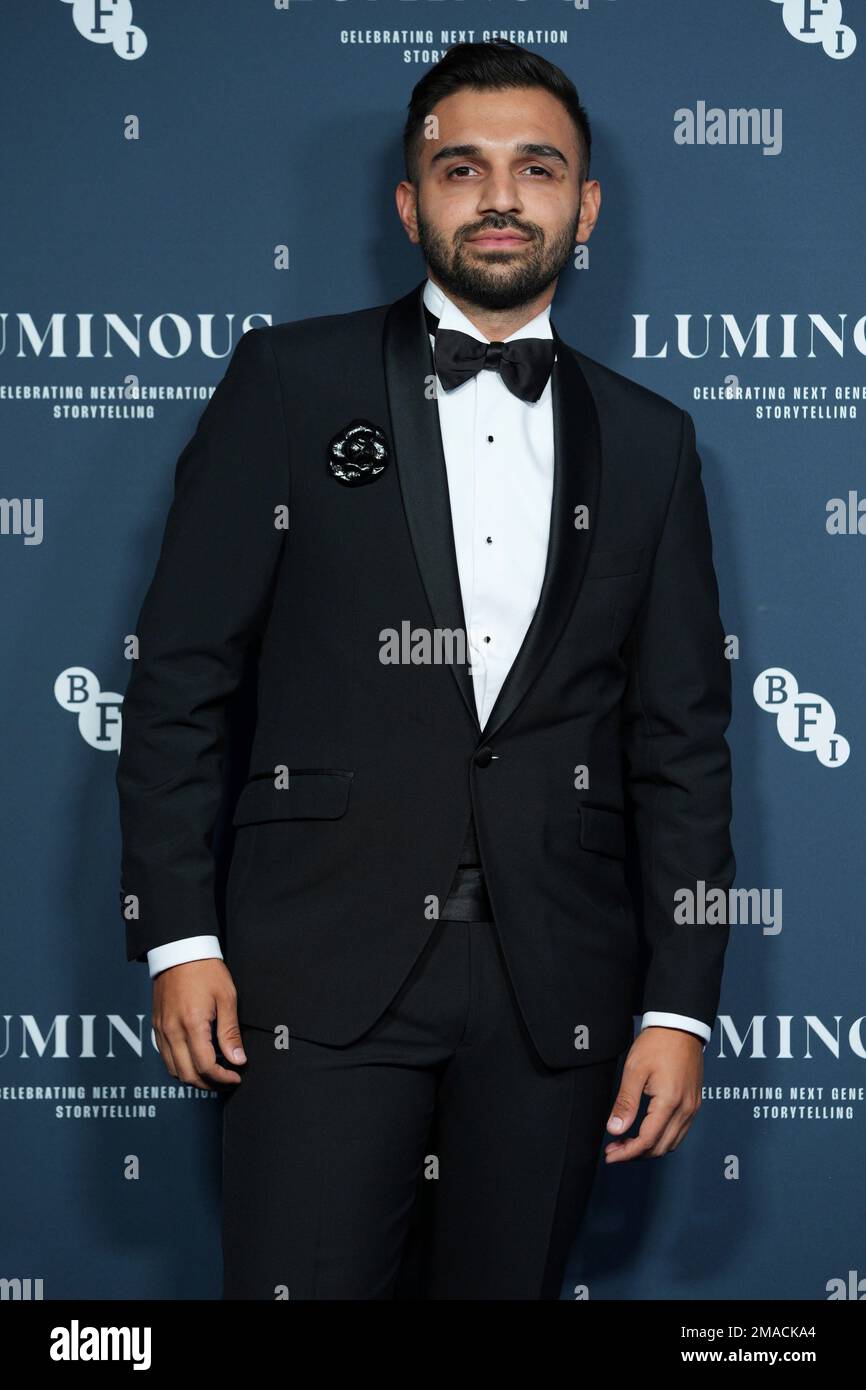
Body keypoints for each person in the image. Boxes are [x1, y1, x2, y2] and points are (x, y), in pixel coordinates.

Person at [116, 39, 735, 1300]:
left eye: (535, 169)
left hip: (553, 983)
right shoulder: (289, 383)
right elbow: (181, 678)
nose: (498, 197)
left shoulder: (654, 443)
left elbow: (679, 745)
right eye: (462, 169)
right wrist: (177, 935)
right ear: (410, 203)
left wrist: (677, 1009)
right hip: (314, 971)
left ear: (584, 206)